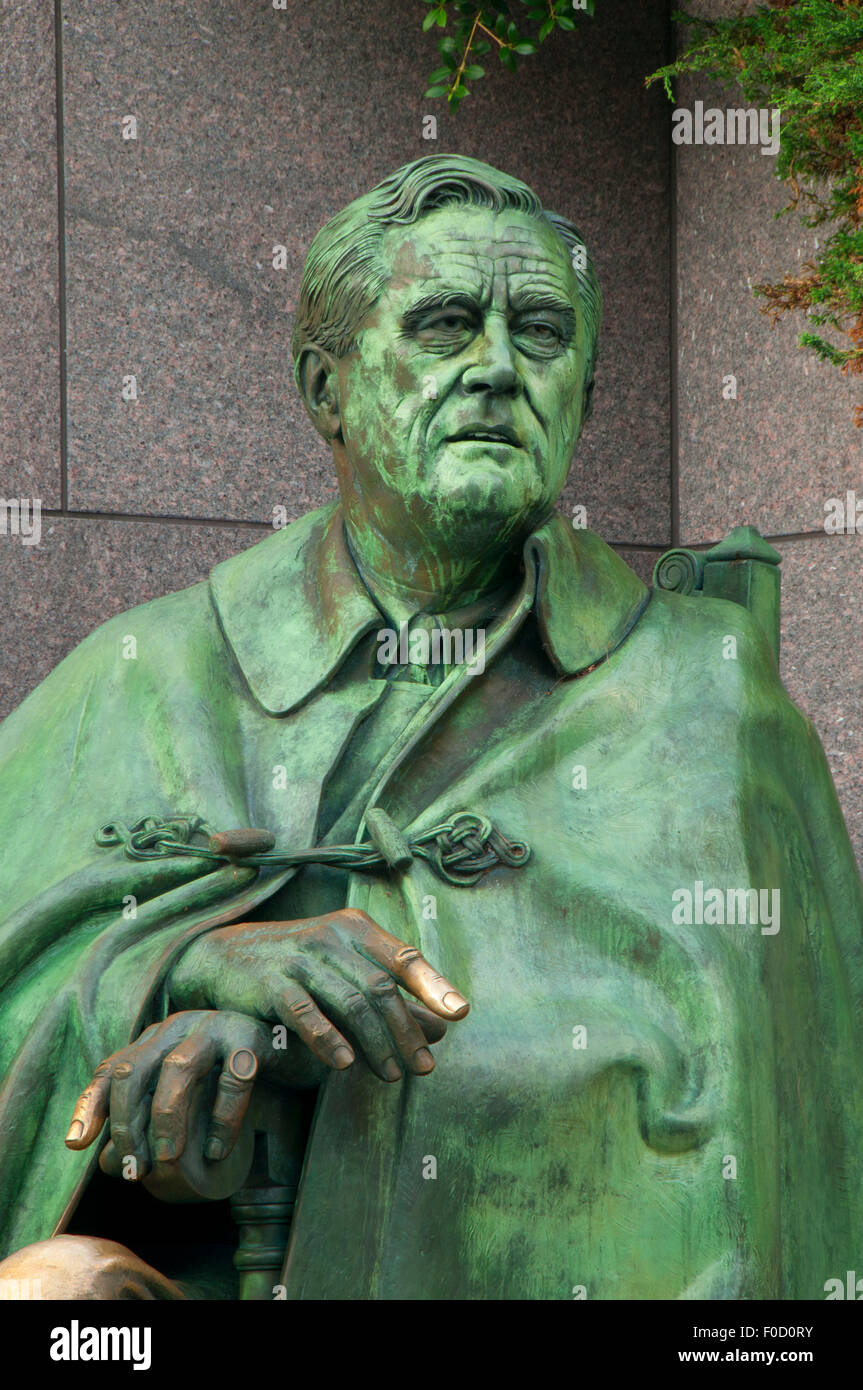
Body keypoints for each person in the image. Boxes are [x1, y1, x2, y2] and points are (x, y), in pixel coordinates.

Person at [0, 155, 860, 1300]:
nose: (496, 369)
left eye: (541, 334)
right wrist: (177, 976)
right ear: (327, 388)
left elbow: (777, 1113)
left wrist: (312, 1057)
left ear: (584, 399)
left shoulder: (706, 696)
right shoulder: (146, 676)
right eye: (445, 326)